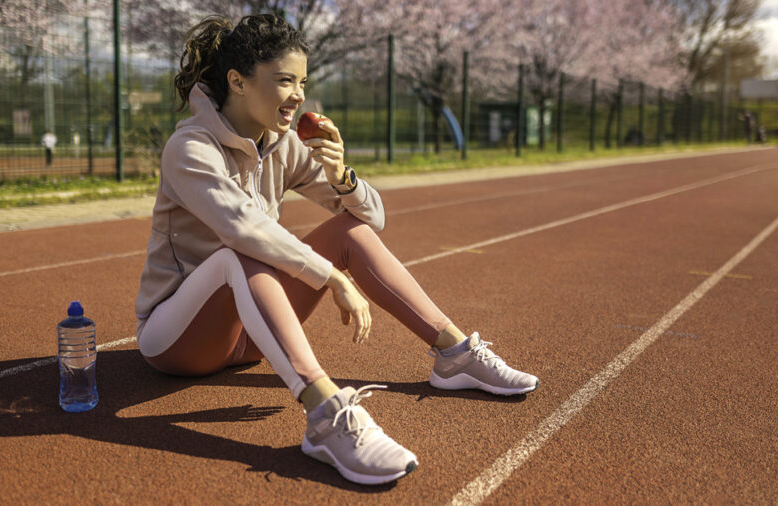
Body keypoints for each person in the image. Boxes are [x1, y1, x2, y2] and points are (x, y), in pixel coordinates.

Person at [134, 14, 538, 485]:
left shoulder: (282, 145)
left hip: (250, 336)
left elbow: (371, 221)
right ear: (237, 82)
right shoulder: (190, 148)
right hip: (178, 341)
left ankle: (455, 355)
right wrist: (329, 277)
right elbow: (241, 228)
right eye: (285, 80)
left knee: (348, 232)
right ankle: (326, 417)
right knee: (238, 254)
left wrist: (342, 176)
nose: (299, 94)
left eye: (303, 81)